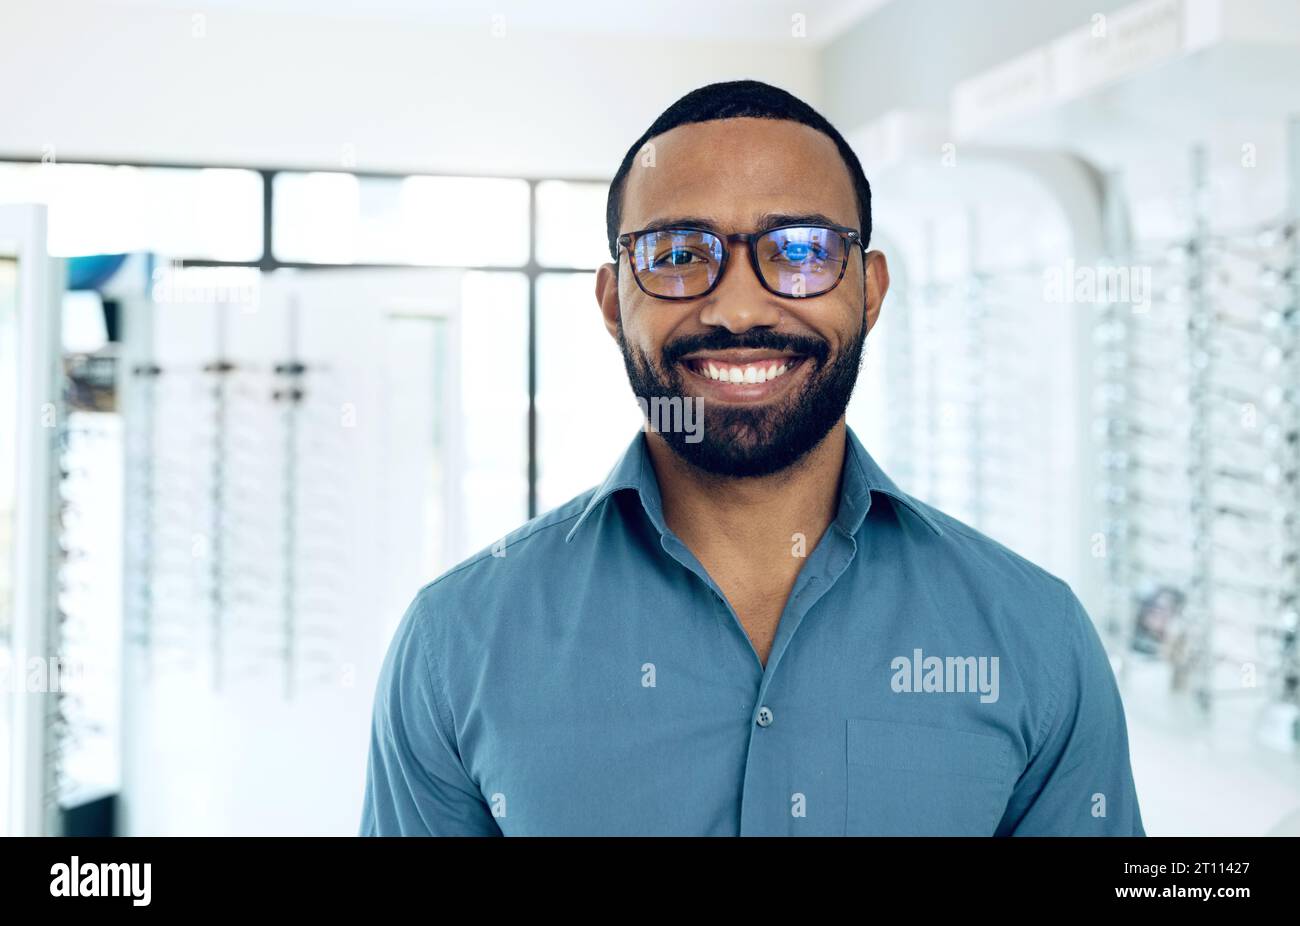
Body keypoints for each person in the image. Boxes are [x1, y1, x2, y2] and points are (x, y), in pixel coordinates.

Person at [359, 79, 1145, 836]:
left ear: (870, 291)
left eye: (800, 248)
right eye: (676, 254)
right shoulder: (455, 645)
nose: (736, 308)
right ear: (611, 301)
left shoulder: (1036, 639)